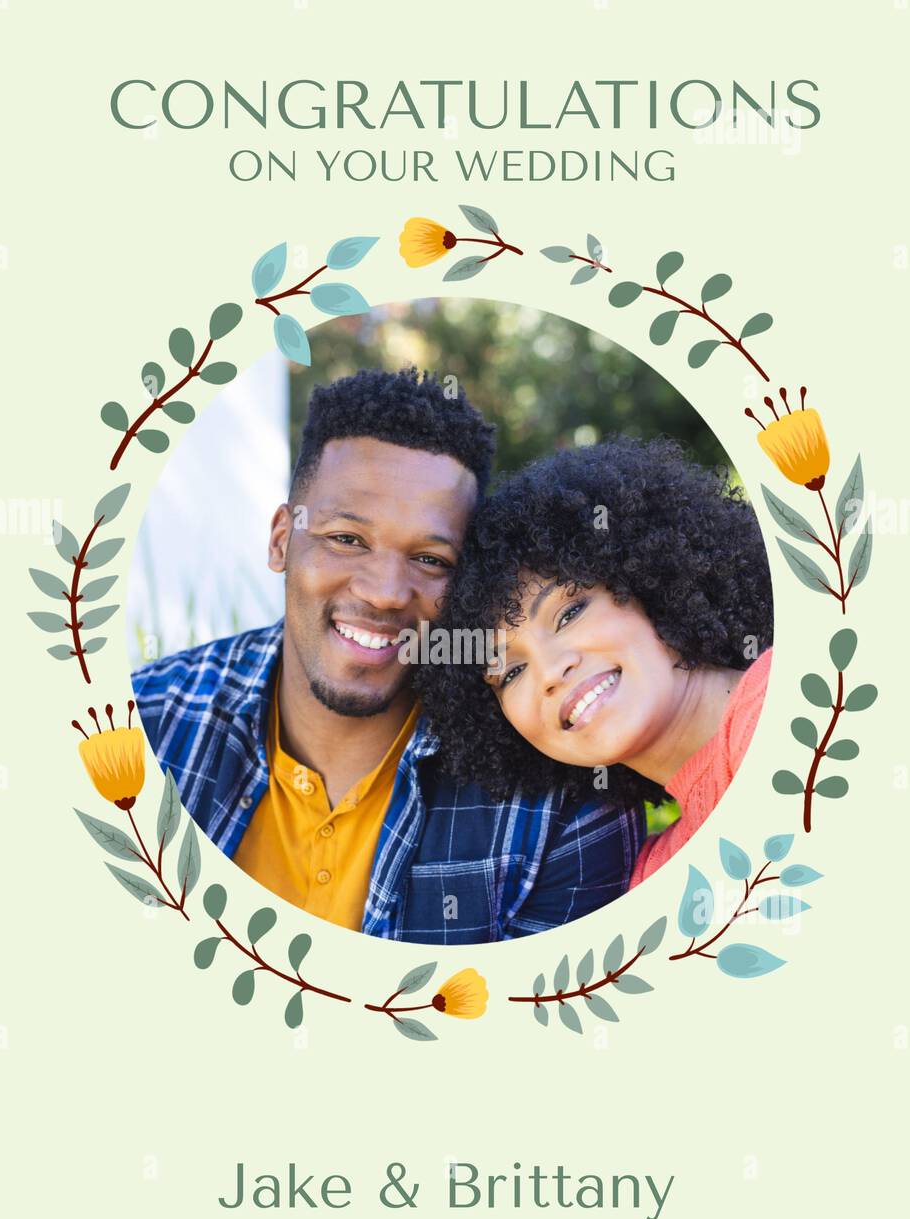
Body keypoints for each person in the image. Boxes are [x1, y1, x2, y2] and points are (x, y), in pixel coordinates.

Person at [132, 369, 645, 942]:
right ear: (281, 540)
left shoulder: (561, 808)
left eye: (430, 559)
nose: (384, 592)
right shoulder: (145, 725)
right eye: (346, 539)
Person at [416, 436, 773, 887]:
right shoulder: (656, 875)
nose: (549, 672)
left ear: (651, 581)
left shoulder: (785, 711)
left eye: (569, 613)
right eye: (511, 672)